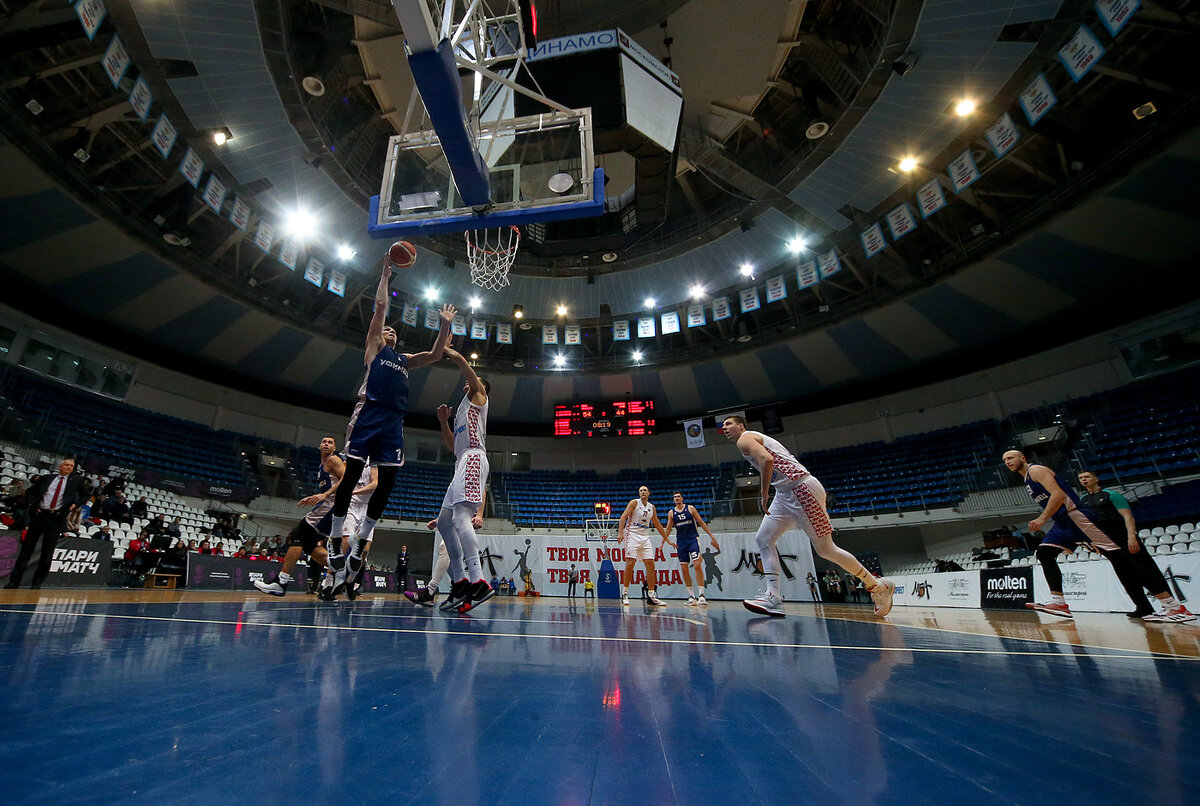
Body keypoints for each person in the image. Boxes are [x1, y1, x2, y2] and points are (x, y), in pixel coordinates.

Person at [326, 261, 455, 580]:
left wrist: (445, 325)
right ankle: (333, 539)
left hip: (393, 422)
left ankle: (359, 543)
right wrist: (384, 275)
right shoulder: (375, 348)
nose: (390, 330)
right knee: (352, 472)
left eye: (394, 330)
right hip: (368, 413)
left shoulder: (405, 360)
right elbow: (381, 305)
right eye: (386, 328)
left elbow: (437, 354)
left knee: (386, 482)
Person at [721, 415, 895, 618]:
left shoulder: (745, 438)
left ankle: (878, 587)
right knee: (764, 539)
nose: (724, 427)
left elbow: (767, 459)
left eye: (728, 423)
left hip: (801, 489)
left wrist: (763, 492)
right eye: (723, 425)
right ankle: (773, 597)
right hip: (786, 492)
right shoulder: (754, 439)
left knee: (826, 550)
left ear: (741, 426)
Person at [1001, 450, 1149, 619]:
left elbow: (1058, 494)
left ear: (1022, 458)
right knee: (1044, 553)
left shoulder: (1036, 470)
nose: (1007, 462)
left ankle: (1169, 603)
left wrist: (1042, 518)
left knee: (1120, 559)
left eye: (1010, 458)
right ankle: (1059, 602)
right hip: (1062, 522)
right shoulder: (1026, 478)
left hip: (1074, 517)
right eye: (1005, 460)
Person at [414, 346, 494, 613]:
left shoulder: (479, 397)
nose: (471, 382)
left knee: (461, 518)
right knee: (446, 524)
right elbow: (451, 447)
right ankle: (460, 584)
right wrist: (444, 422)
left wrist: (452, 352)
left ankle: (478, 580)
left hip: (473, 459)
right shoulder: (461, 410)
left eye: (476, 380)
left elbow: (469, 374)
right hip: (461, 461)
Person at [1077, 469, 1194, 622]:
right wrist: (1094, 540)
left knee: (1143, 571)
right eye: (1080, 478)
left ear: (1096, 479)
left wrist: (1131, 536)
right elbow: (1090, 523)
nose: (1084, 480)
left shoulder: (1111, 495)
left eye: (1087, 476)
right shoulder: (1083, 499)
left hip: (1124, 538)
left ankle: (1173, 606)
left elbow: (1128, 516)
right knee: (1125, 575)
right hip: (1106, 542)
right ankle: (1143, 607)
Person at [255, 436, 345, 596]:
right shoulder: (323, 464)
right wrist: (319, 496)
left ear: (334, 448)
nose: (326, 444)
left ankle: (281, 582)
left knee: (298, 535)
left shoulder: (334, 460)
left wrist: (325, 495)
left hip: (331, 507)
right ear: (319, 446)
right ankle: (340, 570)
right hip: (329, 508)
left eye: (330, 442)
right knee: (309, 546)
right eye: (323, 441)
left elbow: (348, 480)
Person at [4, 457, 89, 590]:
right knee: (26, 550)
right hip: (40, 516)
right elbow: (31, 491)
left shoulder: (76, 481)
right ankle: (14, 581)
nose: (69, 468)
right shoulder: (47, 478)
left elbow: (86, 495)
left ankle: (37, 583)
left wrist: (74, 505)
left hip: (56, 519)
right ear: (60, 467)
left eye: (71, 466)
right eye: (66, 465)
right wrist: (34, 504)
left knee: (47, 552)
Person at [659, 491, 720, 605]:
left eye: (678, 496)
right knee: (684, 568)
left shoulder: (690, 509)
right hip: (681, 542)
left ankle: (701, 595)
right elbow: (668, 529)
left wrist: (712, 537)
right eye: (674, 497)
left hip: (692, 539)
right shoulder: (671, 513)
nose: (676, 498)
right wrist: (663, 542)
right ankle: (691, 596)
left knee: (697, 565)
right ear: (673, 500)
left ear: (682, 498)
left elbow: (701, 522)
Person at [616, 486, 668, 606]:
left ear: (649, 493)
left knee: (651, 565)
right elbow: (623, 517)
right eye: (640, 490)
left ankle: (651, 595)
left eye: (645, 490)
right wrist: (620, 532)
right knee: (630, 563)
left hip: (645, 536)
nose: (642, 492)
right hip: (632, 534)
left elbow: (658, 524)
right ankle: (625, 592)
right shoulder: (634, 503)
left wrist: (667, 539)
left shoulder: (651, 507)